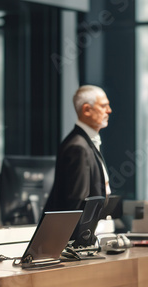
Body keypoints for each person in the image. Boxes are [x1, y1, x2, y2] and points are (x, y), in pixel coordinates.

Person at [43, 85, 112, 239]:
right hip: (75, 242)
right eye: (103, 106)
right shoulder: (77, 147)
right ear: (87, 110)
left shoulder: (86, 142)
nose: (109, 110)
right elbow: (76, 202)